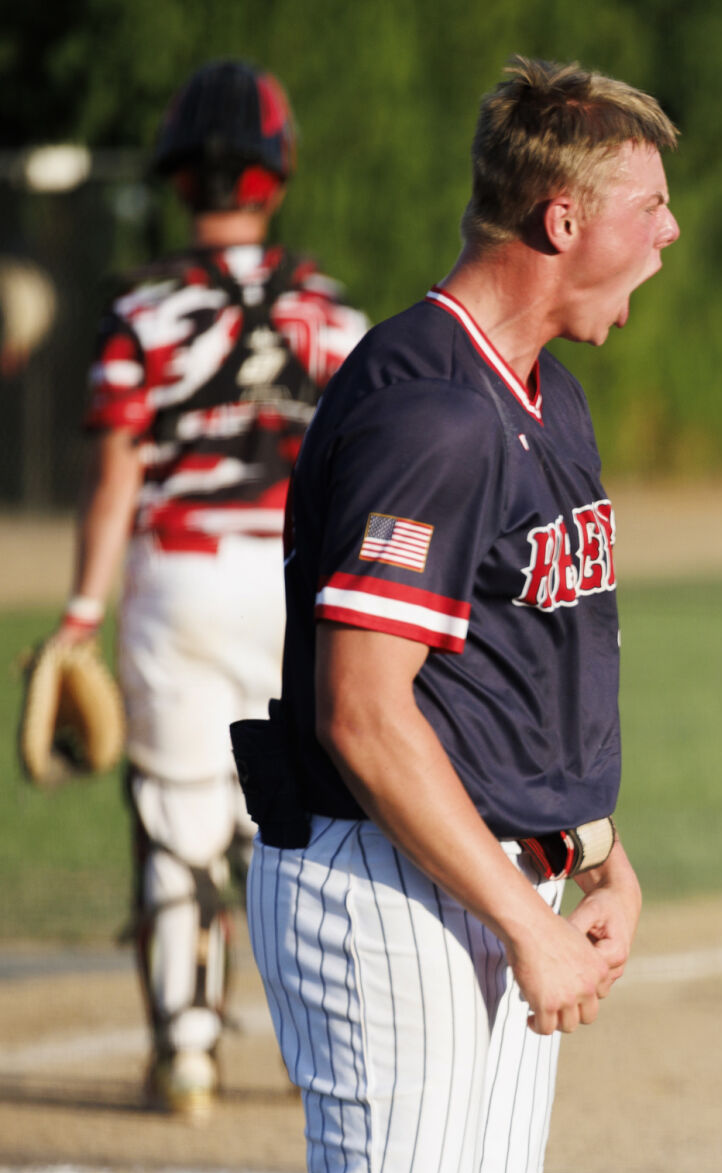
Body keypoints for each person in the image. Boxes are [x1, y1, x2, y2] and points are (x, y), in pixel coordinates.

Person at [240, 55, 677, 1173]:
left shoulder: (548, 393)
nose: (671, 232)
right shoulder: (432, 411)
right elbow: (364, 715)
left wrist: (594, 854)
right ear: (563, 216)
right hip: (392, 884)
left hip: (478, 877)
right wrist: (516, 922)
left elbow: (528, 673)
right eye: (650, 206)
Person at [47, 59, 366, 1118]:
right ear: (276, 179)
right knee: (295, 815)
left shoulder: (140, 311)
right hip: (294, 583)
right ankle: (312, 1038)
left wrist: (79, 617)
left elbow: (114, 479)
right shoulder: (336, 318)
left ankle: (185, 1052)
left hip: (176, 576)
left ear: (180, 181)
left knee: (178, 818)